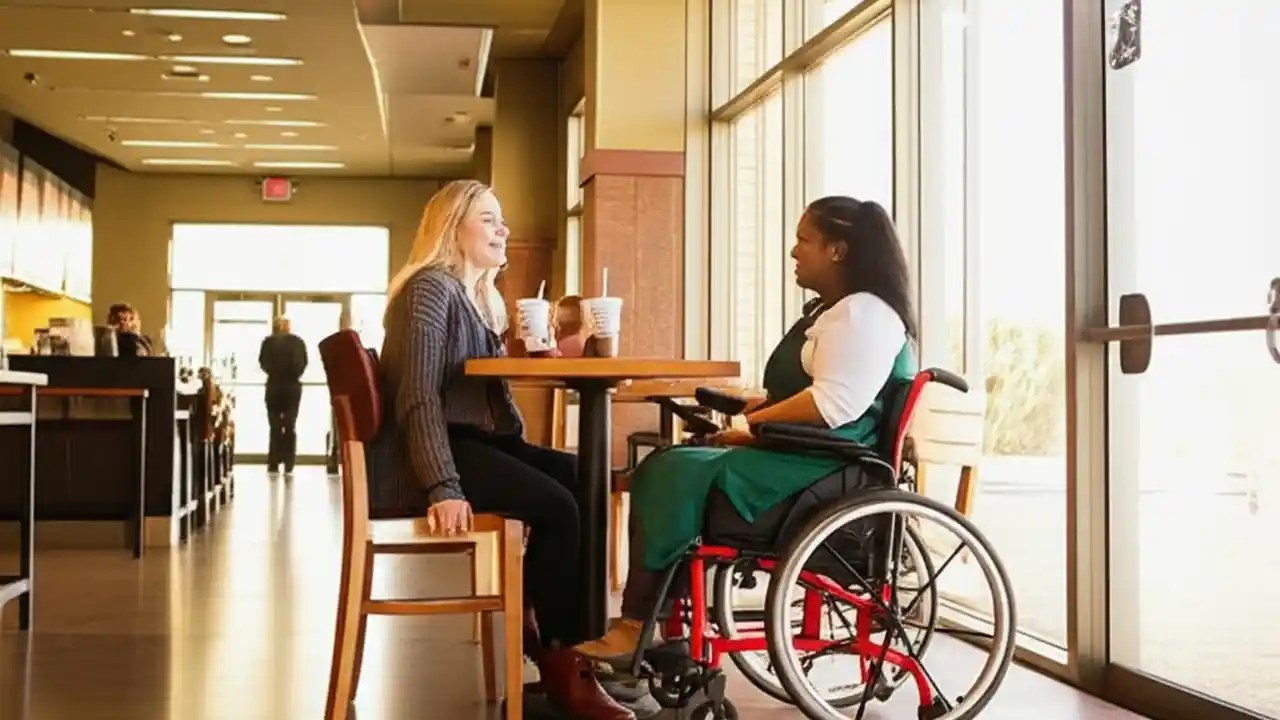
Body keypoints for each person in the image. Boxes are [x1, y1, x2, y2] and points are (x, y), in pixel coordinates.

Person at [575, 196, 918, 662]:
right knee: (672, 464)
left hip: (820, 471)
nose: (794, 251)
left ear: (837, 250)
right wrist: (751, 410)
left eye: (804, 241)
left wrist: (750, 425)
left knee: (671, 472)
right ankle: (651, 623)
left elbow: (833, 404)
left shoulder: (862, 314)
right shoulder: (839, 312)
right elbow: (818, 393)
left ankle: (639, 623)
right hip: (811, 458)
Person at [375, 179, 635, 720]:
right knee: (562, 505)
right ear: (454, 226)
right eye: (490, 219)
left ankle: (567, 641)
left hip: (471, 441)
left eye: (502, 219)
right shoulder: (430, 289)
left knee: (588, 479)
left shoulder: (473, 299)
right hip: (437, 452)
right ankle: (563, 664)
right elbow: (418, 396)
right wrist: (442, 486)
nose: (504, 229)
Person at [258, 316, 307, 475]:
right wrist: (293, 374)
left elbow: (263, 363)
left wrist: (274, 373)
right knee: (290, 425)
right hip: (292, 387)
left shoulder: (268, 342)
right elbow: (302, 363)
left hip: (273, 387)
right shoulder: (298, 342)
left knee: (274, 426)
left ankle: (273, 461)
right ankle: (289, 462)